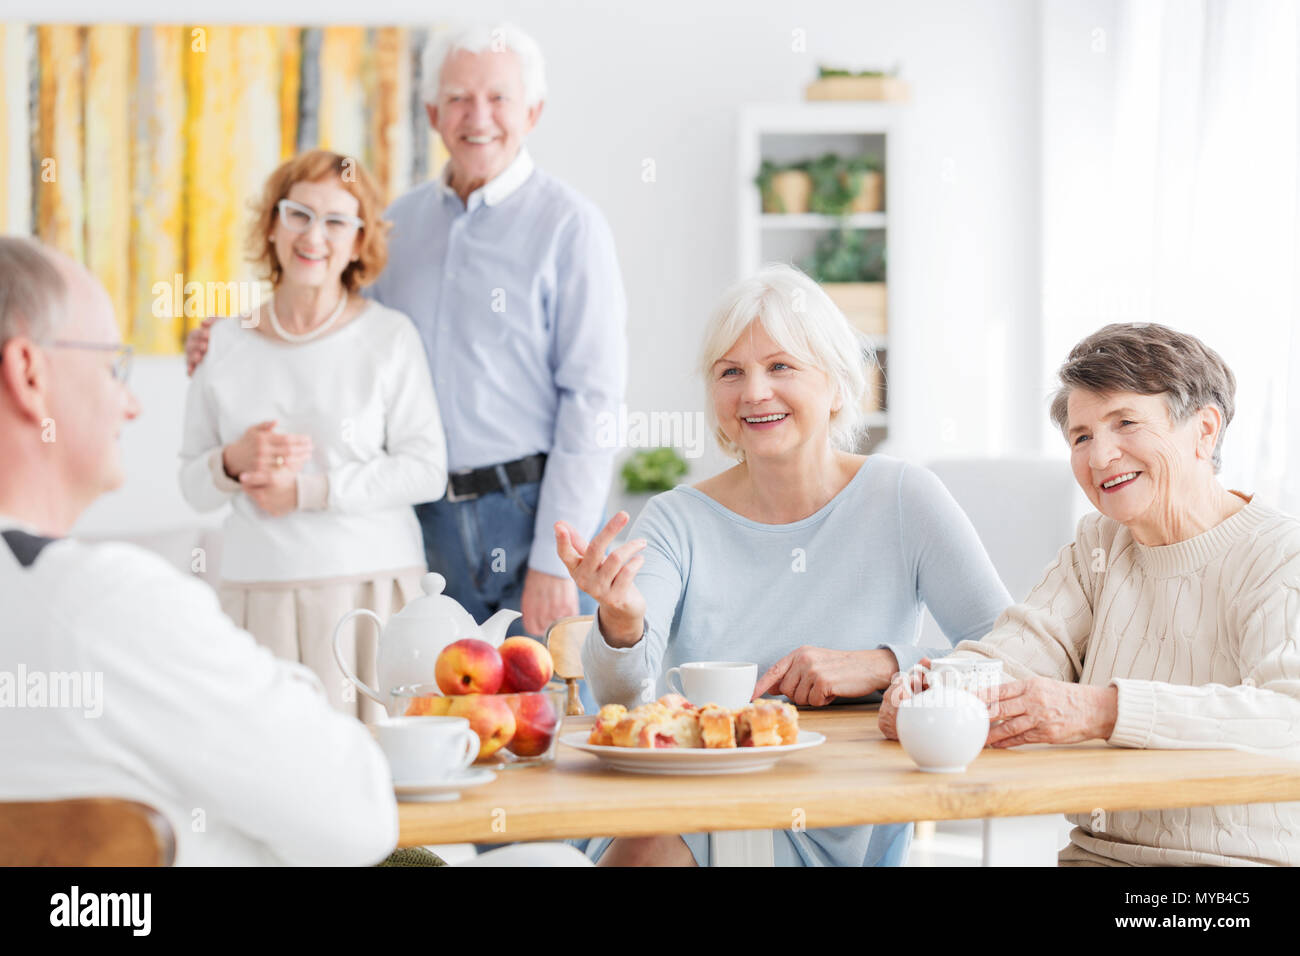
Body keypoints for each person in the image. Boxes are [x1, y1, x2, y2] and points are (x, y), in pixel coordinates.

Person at [0, 236, 592, 868]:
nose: (132, 400)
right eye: (112, 365)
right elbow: (357, 820)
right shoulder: (114, 604)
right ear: (30, 375)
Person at [187, 22, 626, 660]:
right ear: (431, 113)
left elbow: (594, 397)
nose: (478, 117)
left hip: (530, 510)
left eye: (498, 98)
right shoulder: (398, 224)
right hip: (421, 519)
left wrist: (558, 557)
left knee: (545, 719)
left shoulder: (571, 227)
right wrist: (230, 338)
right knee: (440, 714)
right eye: (457, 98)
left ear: (533, 111)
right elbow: (339, 325)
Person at [554, 264, 1012, 866]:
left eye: (781, 366)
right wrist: (619, 622)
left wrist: (882, 664)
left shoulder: (905, 499)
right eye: (731, 373)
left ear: (839, 384)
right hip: (692, 800)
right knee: (639, 844)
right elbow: (622, 693)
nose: (754, 393)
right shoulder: (674, 519)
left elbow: (1009, 655)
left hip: (836, 817)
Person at [880, 322, 1300, 867]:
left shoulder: (1280, 553)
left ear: (1205, 430)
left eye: (1125, 423)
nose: (1100, 457)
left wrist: (1106, 711)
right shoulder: (1099, 546)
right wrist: (931, 690)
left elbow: (1287, 720)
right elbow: (1012, 655)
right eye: (1081, 436)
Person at [179, 150, 448, 723]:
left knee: (382, 786)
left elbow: (426, 468)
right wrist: (231, 460)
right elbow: (192, 484)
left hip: (368, 595)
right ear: (273, 225)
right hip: (257, 598)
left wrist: (309, 491)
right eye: (299, 213)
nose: (313, 235)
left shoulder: (389, 337)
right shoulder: (222, 342)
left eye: (336, 221)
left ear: (358, 242)